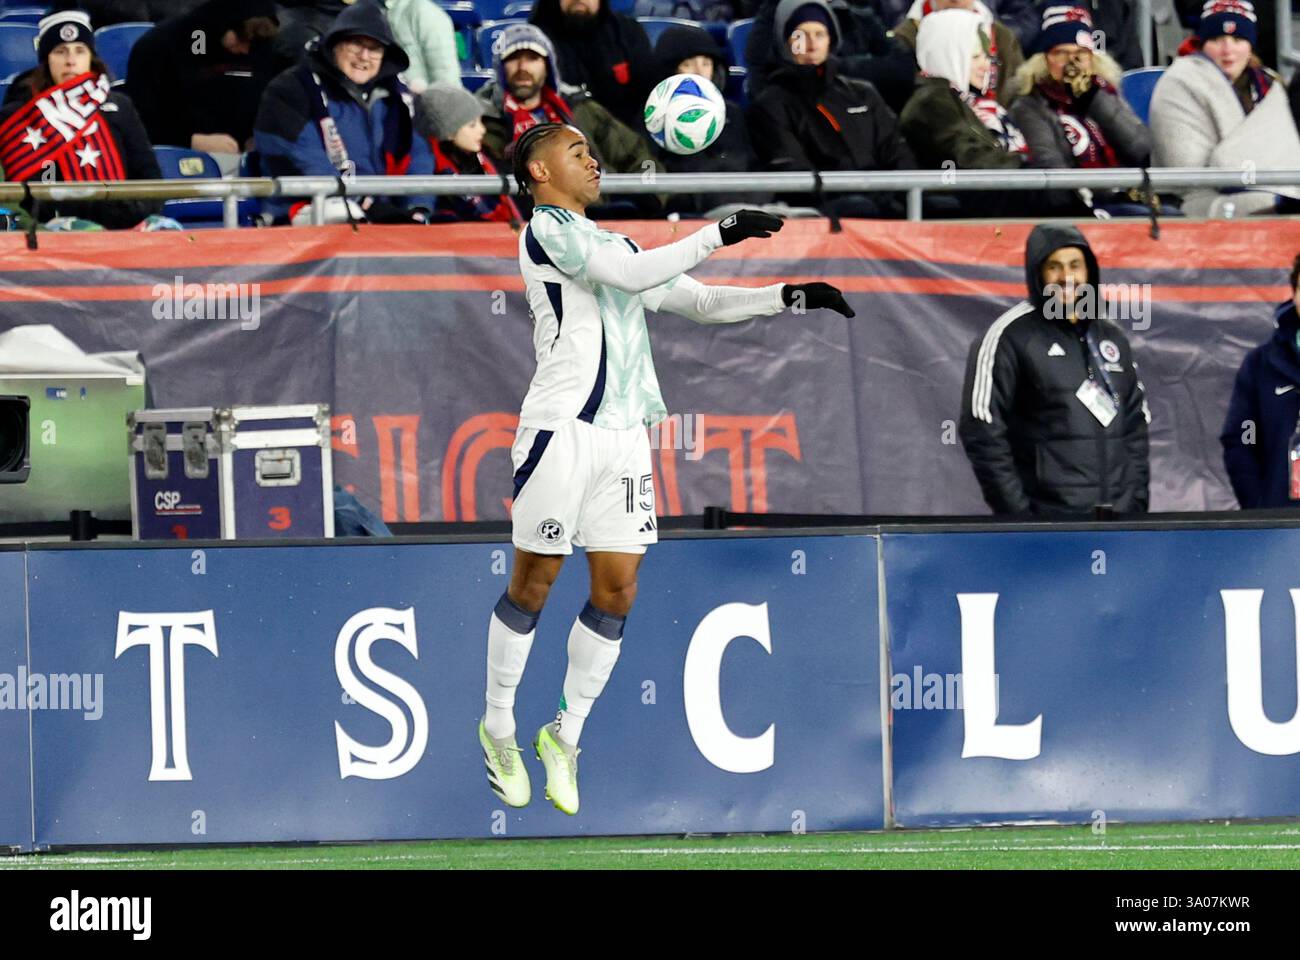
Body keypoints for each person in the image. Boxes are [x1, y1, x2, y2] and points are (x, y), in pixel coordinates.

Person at [478, 122, 854, 814]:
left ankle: (565, 735)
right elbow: (628, 277)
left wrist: (789, 295)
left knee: (617, 591)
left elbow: (701, 303)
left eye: (594, 151)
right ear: (538, 172)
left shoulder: (617, 244)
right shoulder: (545, 232)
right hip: (562, 430)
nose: (594, 160)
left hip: (625, 438)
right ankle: (498, 726)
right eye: (577, 152)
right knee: (535, 582)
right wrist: (718, 232)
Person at [959, 222, 1151, 516]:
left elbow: (1136, 423)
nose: (1066, 277)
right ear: (1037, 273)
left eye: (1075, 265)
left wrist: (1134, 503)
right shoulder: (1009, 336)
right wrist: (1021, 518)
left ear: (1089, 271)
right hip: (1046, 523)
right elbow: (981, 428)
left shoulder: (1111, 336)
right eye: (1054, 267)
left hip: (1117, 522)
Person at [255, 0, 434, 224]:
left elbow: (420, 155)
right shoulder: (291, 89)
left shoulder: (398, 98)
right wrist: (366, 205)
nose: (364, 56)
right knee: (338, 213)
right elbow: (306, 162)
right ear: (335, 44)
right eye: (356, 43)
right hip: (305, 213)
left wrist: (417, 207)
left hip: (384, 215)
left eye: (375, 48)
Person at [747, 0, 916, 217]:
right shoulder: (772, 103)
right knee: (861, 207)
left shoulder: (862, 92)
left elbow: (897, 152)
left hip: (882, 199)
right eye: (800, 35)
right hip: (826, 208)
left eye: (820, 34)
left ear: (831, 40)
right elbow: (793, 171)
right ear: (785, 42)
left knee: (940, 205)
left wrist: (892, 195)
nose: (811, 44)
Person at [477, 23, 662, 217]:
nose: (522, 68)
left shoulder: (580, 109)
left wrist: (652, 194)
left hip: (595, 213)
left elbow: (637, 154)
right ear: (500, 68)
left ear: (548, 66)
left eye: (532, 58)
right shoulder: (482, 120)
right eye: (513, 59)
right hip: (521, 220)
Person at [0, 11, 162, 229]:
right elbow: (31, 195)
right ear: (46, 60)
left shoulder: (120, 106)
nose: (70, 61)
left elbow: (150, 178)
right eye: (60, 52)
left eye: (80, 51)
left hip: (127, 222)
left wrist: (128, 216)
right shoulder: (22, 114)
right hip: (55, 227)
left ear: (90, 58)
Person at [1149, 0, 1300, 218]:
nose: (1228, 50)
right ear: (1202, 43)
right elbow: (1186, 174)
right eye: (1217, 40)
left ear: (1250, 46)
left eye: (1238, 40)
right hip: (1200, 202)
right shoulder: (1178, 81)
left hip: (1277, 192)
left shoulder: (1267, 84)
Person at [1008, 4, 1151, 215]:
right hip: (1078, 209)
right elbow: (1051, 171)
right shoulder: (1029, 105)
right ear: (1044, 60)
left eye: (1080, 54)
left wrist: (1094, 99)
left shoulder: (1103, 93)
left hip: (1123, 197)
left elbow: (1143, 150)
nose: (1071, 63)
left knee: (1170, 216)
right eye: (1061, 53)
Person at [898, 8, 1029, 216]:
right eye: (975, 57)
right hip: (967, 212)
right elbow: (969, 157)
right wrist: (1027, 169)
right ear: (948, 55)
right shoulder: (931, 103)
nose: (986, 66)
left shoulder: (967, 100)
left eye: (987, 56)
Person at [125, 0, 282, 161]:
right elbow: (139, 121)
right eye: (241, 39)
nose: (245, 50)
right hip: (180, 156)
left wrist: (261, 135)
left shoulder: (266, 48)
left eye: (254, 44)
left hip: (248, 156)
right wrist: (191, 140)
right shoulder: (158, 47)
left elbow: (275, 105)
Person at [652, 23, 772, 216]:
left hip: (750, 204)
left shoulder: (732, 113)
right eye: (688, 64)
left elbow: (755, 165)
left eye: (706, 64)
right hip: (697, 212)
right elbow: (653, 174)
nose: (700, 73)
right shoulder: (654, 117)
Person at [1220, 254, 1300, 509]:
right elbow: (1242, 439)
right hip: (1278, 523)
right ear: (1294, 294)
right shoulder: (1260, 365)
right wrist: (1259, 507)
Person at [745, 0, 917, 113]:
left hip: (864, 115)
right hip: (804, 118)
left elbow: (903, 69)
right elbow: (764, 77)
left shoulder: (859, 15)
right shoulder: (776, 18)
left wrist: (837, 67)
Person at [528, 0, 656, 130]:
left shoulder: (627, 32)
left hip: (625, 134)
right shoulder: (536, 40)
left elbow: (649, 96)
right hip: (559, 134)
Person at [415, 83, 522, 223]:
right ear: (448, 133)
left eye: (481, 122)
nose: (482, 130)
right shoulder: (436, 179)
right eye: (472, 125)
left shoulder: (483, 159)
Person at [892, 0, 1024, 107]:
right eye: (975, 56)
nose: (956, 0)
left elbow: (1018, 96)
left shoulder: (1003, 37)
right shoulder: (904, 39)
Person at [381, 0, 459, 93]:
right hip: (388, 97)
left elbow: (446, 78)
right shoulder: (375, 7)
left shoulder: (426, 12)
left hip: (421, 99)